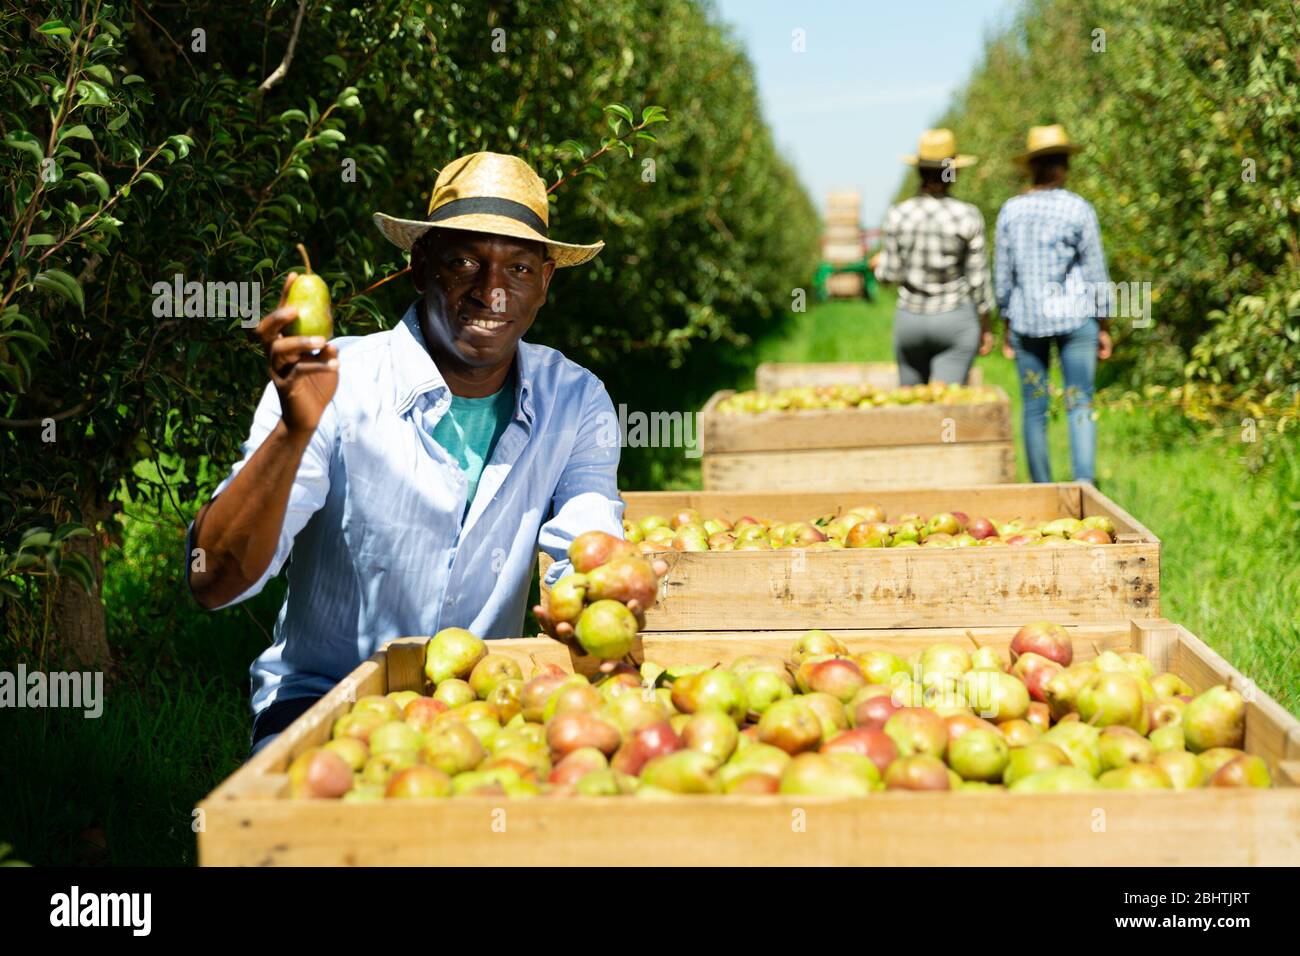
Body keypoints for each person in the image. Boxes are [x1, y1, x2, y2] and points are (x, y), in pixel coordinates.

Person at [187, 151, 631, 755]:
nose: (492, 291)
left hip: (480, 711)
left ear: (545, 283)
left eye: (520, 269)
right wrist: (293, 432)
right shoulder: (326, 384)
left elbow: (586, 542)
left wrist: (597, 597)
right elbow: (213, 581)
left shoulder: (575, 401)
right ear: (421, 267)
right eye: (466, 261)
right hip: (327, 701)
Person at [994, 124, 1113, 485]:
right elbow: (1095, 272)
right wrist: (1104, 324)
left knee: (1034, 407)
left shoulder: (1010, 212)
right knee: (1080, 400)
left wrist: (1005, 322)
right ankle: (1084, 485)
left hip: (1027, 319)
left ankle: (1042, 489)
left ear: (1031, 168)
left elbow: (1003, 275)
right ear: (1062, 167)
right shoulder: (1078, 209)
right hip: (1075, 318)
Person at [870, 128, 994, 385]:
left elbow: (888, 275)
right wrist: (986, 323)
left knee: (914, 409)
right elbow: (977, 281)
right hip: (954, 320)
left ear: (919, 171)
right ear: (954, 172)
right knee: (945, 406)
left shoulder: (898, 214)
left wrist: (878, 264)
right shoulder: (967, 215)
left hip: (910, 320)